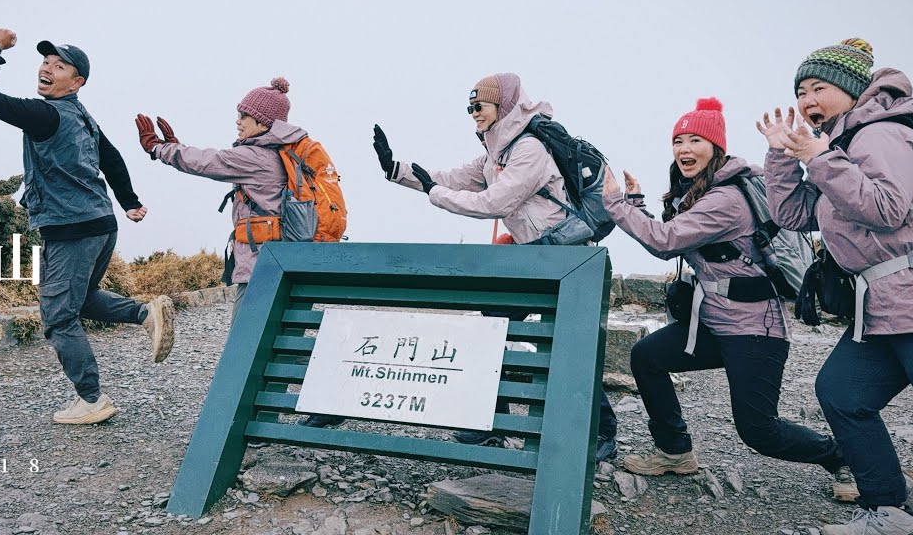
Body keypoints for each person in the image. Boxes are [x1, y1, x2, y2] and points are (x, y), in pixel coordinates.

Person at [759, 38, 913, 535]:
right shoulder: (842, 146)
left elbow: (885, 209)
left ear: (853, 90)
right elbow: (792, 214)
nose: (808, 101)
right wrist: (785, 157)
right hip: (889, 311)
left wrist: (818, 156)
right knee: (843, 393)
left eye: (819, 88)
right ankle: (887, 510)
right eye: (801, 90)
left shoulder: (882, 135)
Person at [602, 97, 856, 502]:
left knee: (759, 430)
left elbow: (664, 241)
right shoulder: (704, 191)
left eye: (695, 140)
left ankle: (845, 457)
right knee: (647, 356)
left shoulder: (725, 201)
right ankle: (675, 452)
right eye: (678, 141)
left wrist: (615, 204)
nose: (684, 150)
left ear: (716, 147)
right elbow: (677, 232)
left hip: (755, 329)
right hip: (716, 322)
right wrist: (636, 204)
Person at [374, 72, 618, 459]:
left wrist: (436, 196)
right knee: (491, 326)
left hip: (568, 258)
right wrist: (397, 169)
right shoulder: (496, 153)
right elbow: (451, 178)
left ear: (501, 107)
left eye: (479, 106)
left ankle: (603, 434)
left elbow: (494, 203)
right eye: (470, 107)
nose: (473, 113)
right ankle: (492, 423)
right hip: (534, 257)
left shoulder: (529, 150)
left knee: (569, 344)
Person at [0, 27, 175, 426]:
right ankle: (144, 315)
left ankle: (92, 399)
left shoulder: (45, 114)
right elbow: (112, 158)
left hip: (72, 229)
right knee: (82, 300)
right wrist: (129, 202)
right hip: (98, 224)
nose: (47, 67)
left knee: (59, 316)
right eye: (45, 61)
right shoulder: (80, 115)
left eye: (59, 65)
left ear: (76, 81)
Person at [137, 77, 341, 429]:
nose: (238, 121)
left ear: (264, 123)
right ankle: (300, 406)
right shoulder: (281, 154)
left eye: (244, 115)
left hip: (263, 267)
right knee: (281, 337)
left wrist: (160, 149)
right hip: (287, 261)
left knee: (246, 342)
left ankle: (263, 417)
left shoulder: (257, 157)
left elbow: (207, 161)